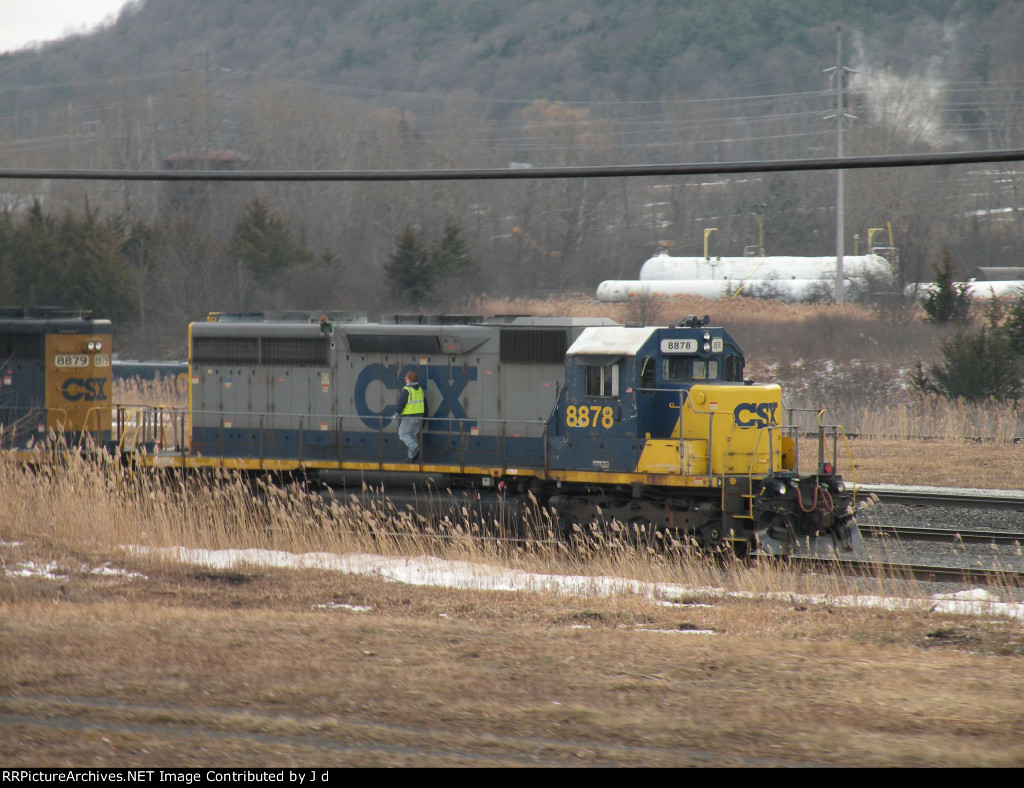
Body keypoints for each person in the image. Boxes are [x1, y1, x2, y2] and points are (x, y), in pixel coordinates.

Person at [393, 370, 425, 462]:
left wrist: (396, 414)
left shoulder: (406, 390)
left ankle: (414, 447)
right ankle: (411, 457)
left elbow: (401, 403)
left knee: (402, 433)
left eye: (406, 378)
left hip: (409, 417)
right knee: (412, 435)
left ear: (409, 380)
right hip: (419, 418)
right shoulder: (420, 390)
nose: (405, 380)